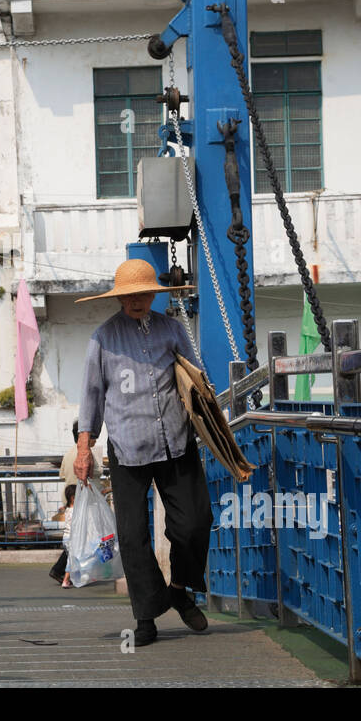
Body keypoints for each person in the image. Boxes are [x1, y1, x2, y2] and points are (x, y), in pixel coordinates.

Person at [75, 258, 211, 646]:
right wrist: (84, 448)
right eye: (131, 295)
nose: (138, 300)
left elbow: (195, 375)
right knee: (133, 536)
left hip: (176, 441)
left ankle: (180, 589)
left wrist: (213, 424)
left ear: (154, 294)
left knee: (196, 521)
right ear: (120, 298)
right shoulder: (103, 338)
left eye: (145, 293)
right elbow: (90, 397)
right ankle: (147, 617)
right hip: (128, 448)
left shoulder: (172, 330)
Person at [51, 422, 99, 584]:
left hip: (70, 501)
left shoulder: (69, 453)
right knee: (79, 539)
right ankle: (61, 571)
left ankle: (66, 571)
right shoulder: (87, 455)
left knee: (76, 539)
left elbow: (62, 475)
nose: (95, 440)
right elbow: (95, 475)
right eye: (93, 436)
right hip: (82, 501)